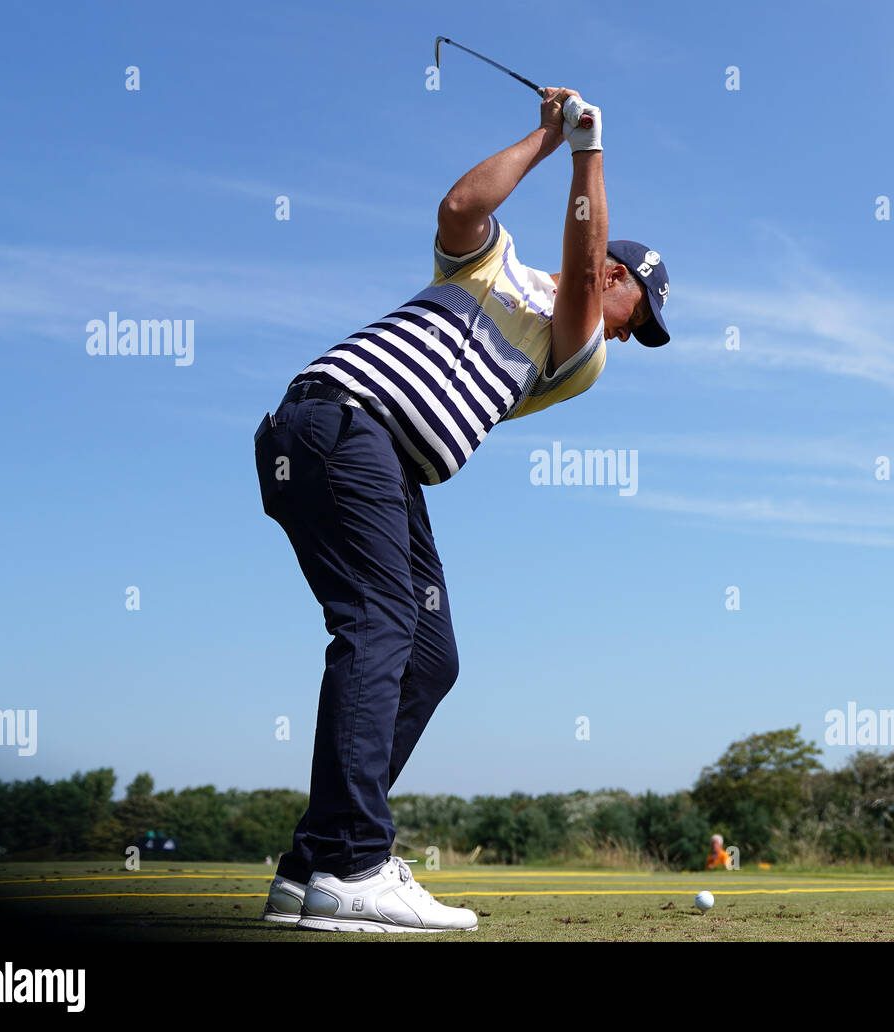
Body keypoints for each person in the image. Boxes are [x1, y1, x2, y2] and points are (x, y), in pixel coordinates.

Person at [254, 88, 671, 933]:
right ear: (620, 277)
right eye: (642, 316)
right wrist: (562, 142)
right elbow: (460, 205)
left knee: (429, 655)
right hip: (338, 426)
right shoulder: (486, 263)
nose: (629, 335)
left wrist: (584, 147)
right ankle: (356, 863)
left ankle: (312, 864)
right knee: (379, 623)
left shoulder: (575, 352)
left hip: (380, 465)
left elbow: (581, 282)